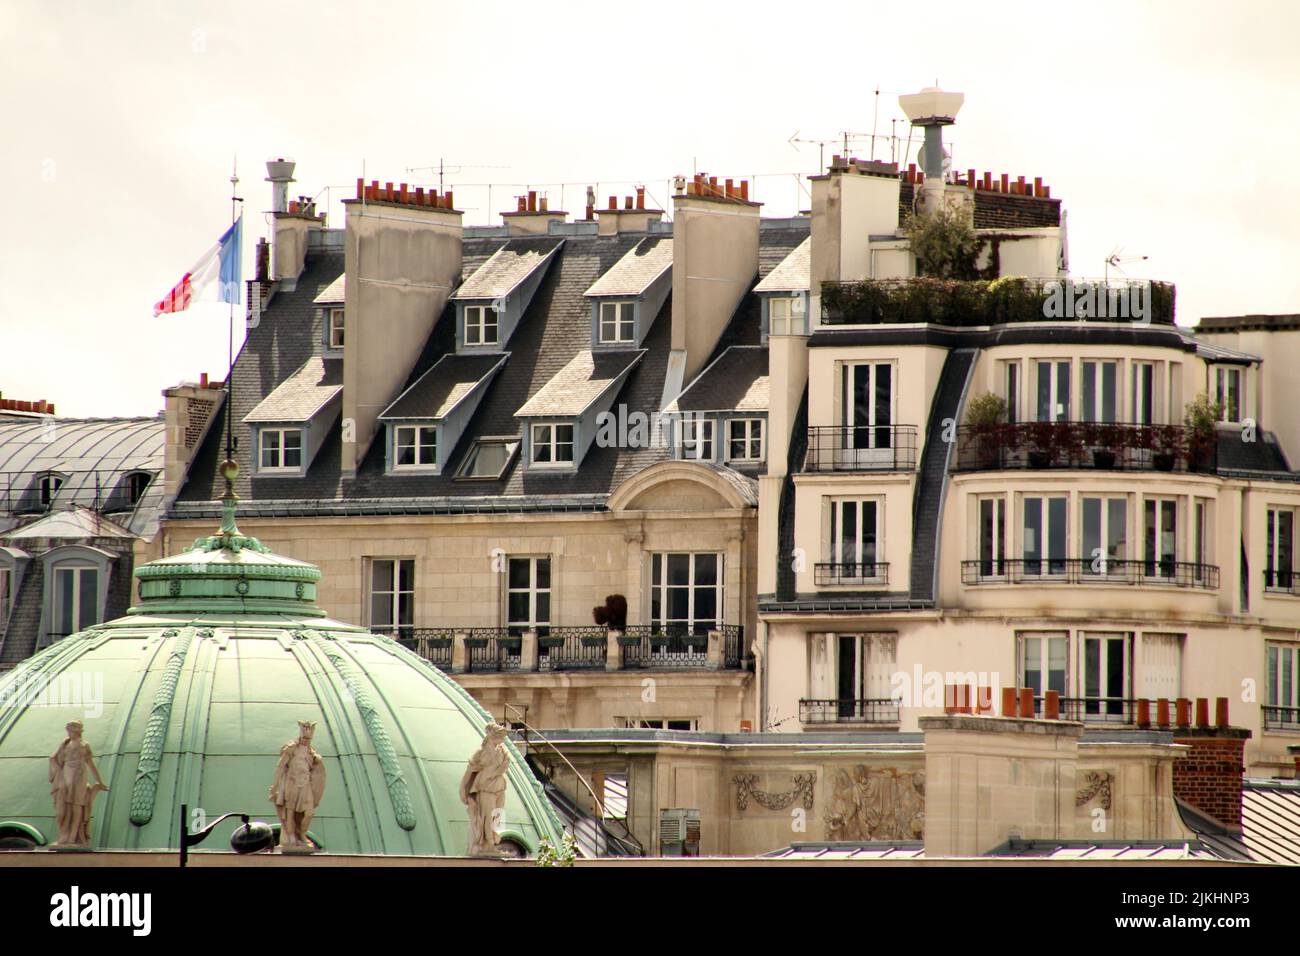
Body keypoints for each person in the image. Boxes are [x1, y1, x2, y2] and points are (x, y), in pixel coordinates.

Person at [49, 720, 108, 847]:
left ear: (76, 731)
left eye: (70, 731)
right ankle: (64, 834)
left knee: (77, 806)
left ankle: (73, 836)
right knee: (62, 810)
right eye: (68, 731)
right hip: (66, 776)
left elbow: (91, 765)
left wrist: (99, 781)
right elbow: (53, 758)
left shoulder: (84, 745)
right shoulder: (64, 744)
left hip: (79, 777)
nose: (69, 733)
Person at [269, 720, 326, 848]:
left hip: (305, 785)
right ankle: (292, 839)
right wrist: (275, 786)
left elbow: (316, 770)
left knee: (309, 813)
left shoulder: (311, 752)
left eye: (308, 738)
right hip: (291, 783)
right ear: (300, 735)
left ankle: (301, 833)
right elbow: (280, 766)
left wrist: (318, 761)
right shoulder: (291, 748)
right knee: (290, 815)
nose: (306, 740)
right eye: (304, 737)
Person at [459, 722, 511, 856]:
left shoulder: (502, 751)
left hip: (499, 786)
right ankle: (488, 844)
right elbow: (469, 771)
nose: (502, 740)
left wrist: (498, 771)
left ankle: (492, 840)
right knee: (487, 815)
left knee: (497, 814)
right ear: (493, 736)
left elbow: (506, 763)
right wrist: (463, 789)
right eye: (500, 737)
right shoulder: (481, 752)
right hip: (485, 787)